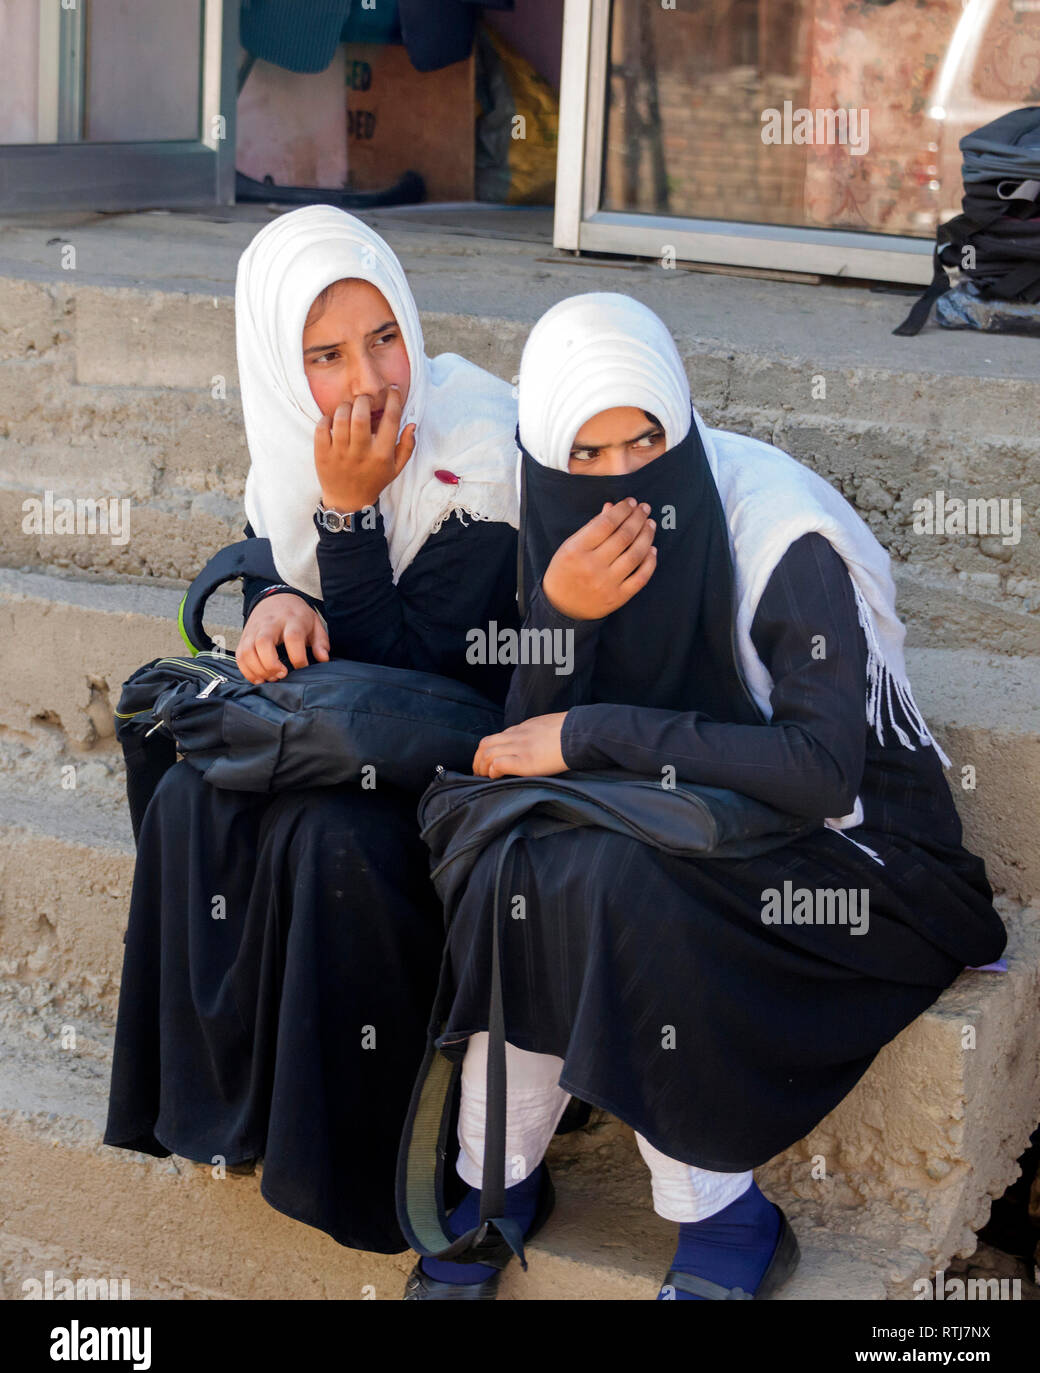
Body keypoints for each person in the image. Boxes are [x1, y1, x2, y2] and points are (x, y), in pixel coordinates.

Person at [404, 292, 1008, 1299]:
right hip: (677, 826)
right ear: (545, 459)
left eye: (645, 442)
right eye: (586, 455)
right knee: (524, 863)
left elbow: (822, 772)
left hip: (859, 867)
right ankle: (492, 1181)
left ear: (680, 427)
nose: (621, 480)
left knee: (617, 882)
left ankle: (724, 1217)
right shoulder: (548, 523)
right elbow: (526, 744)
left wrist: (594, 733)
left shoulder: (779, 532)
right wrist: (561, 614)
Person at [104, 205, 521, 1254]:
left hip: (460, 761)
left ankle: (369, 1163)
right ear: (281, 369)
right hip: (346, 733)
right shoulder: (297, 443)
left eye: (384, 338)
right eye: (325, 357)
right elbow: (271, 553)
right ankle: (230, 1112)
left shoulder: (477, 451)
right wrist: (273, 601)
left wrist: (348, 517)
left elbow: (412, 673)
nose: (369, 381)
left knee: (332, 837)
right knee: (192, 795)